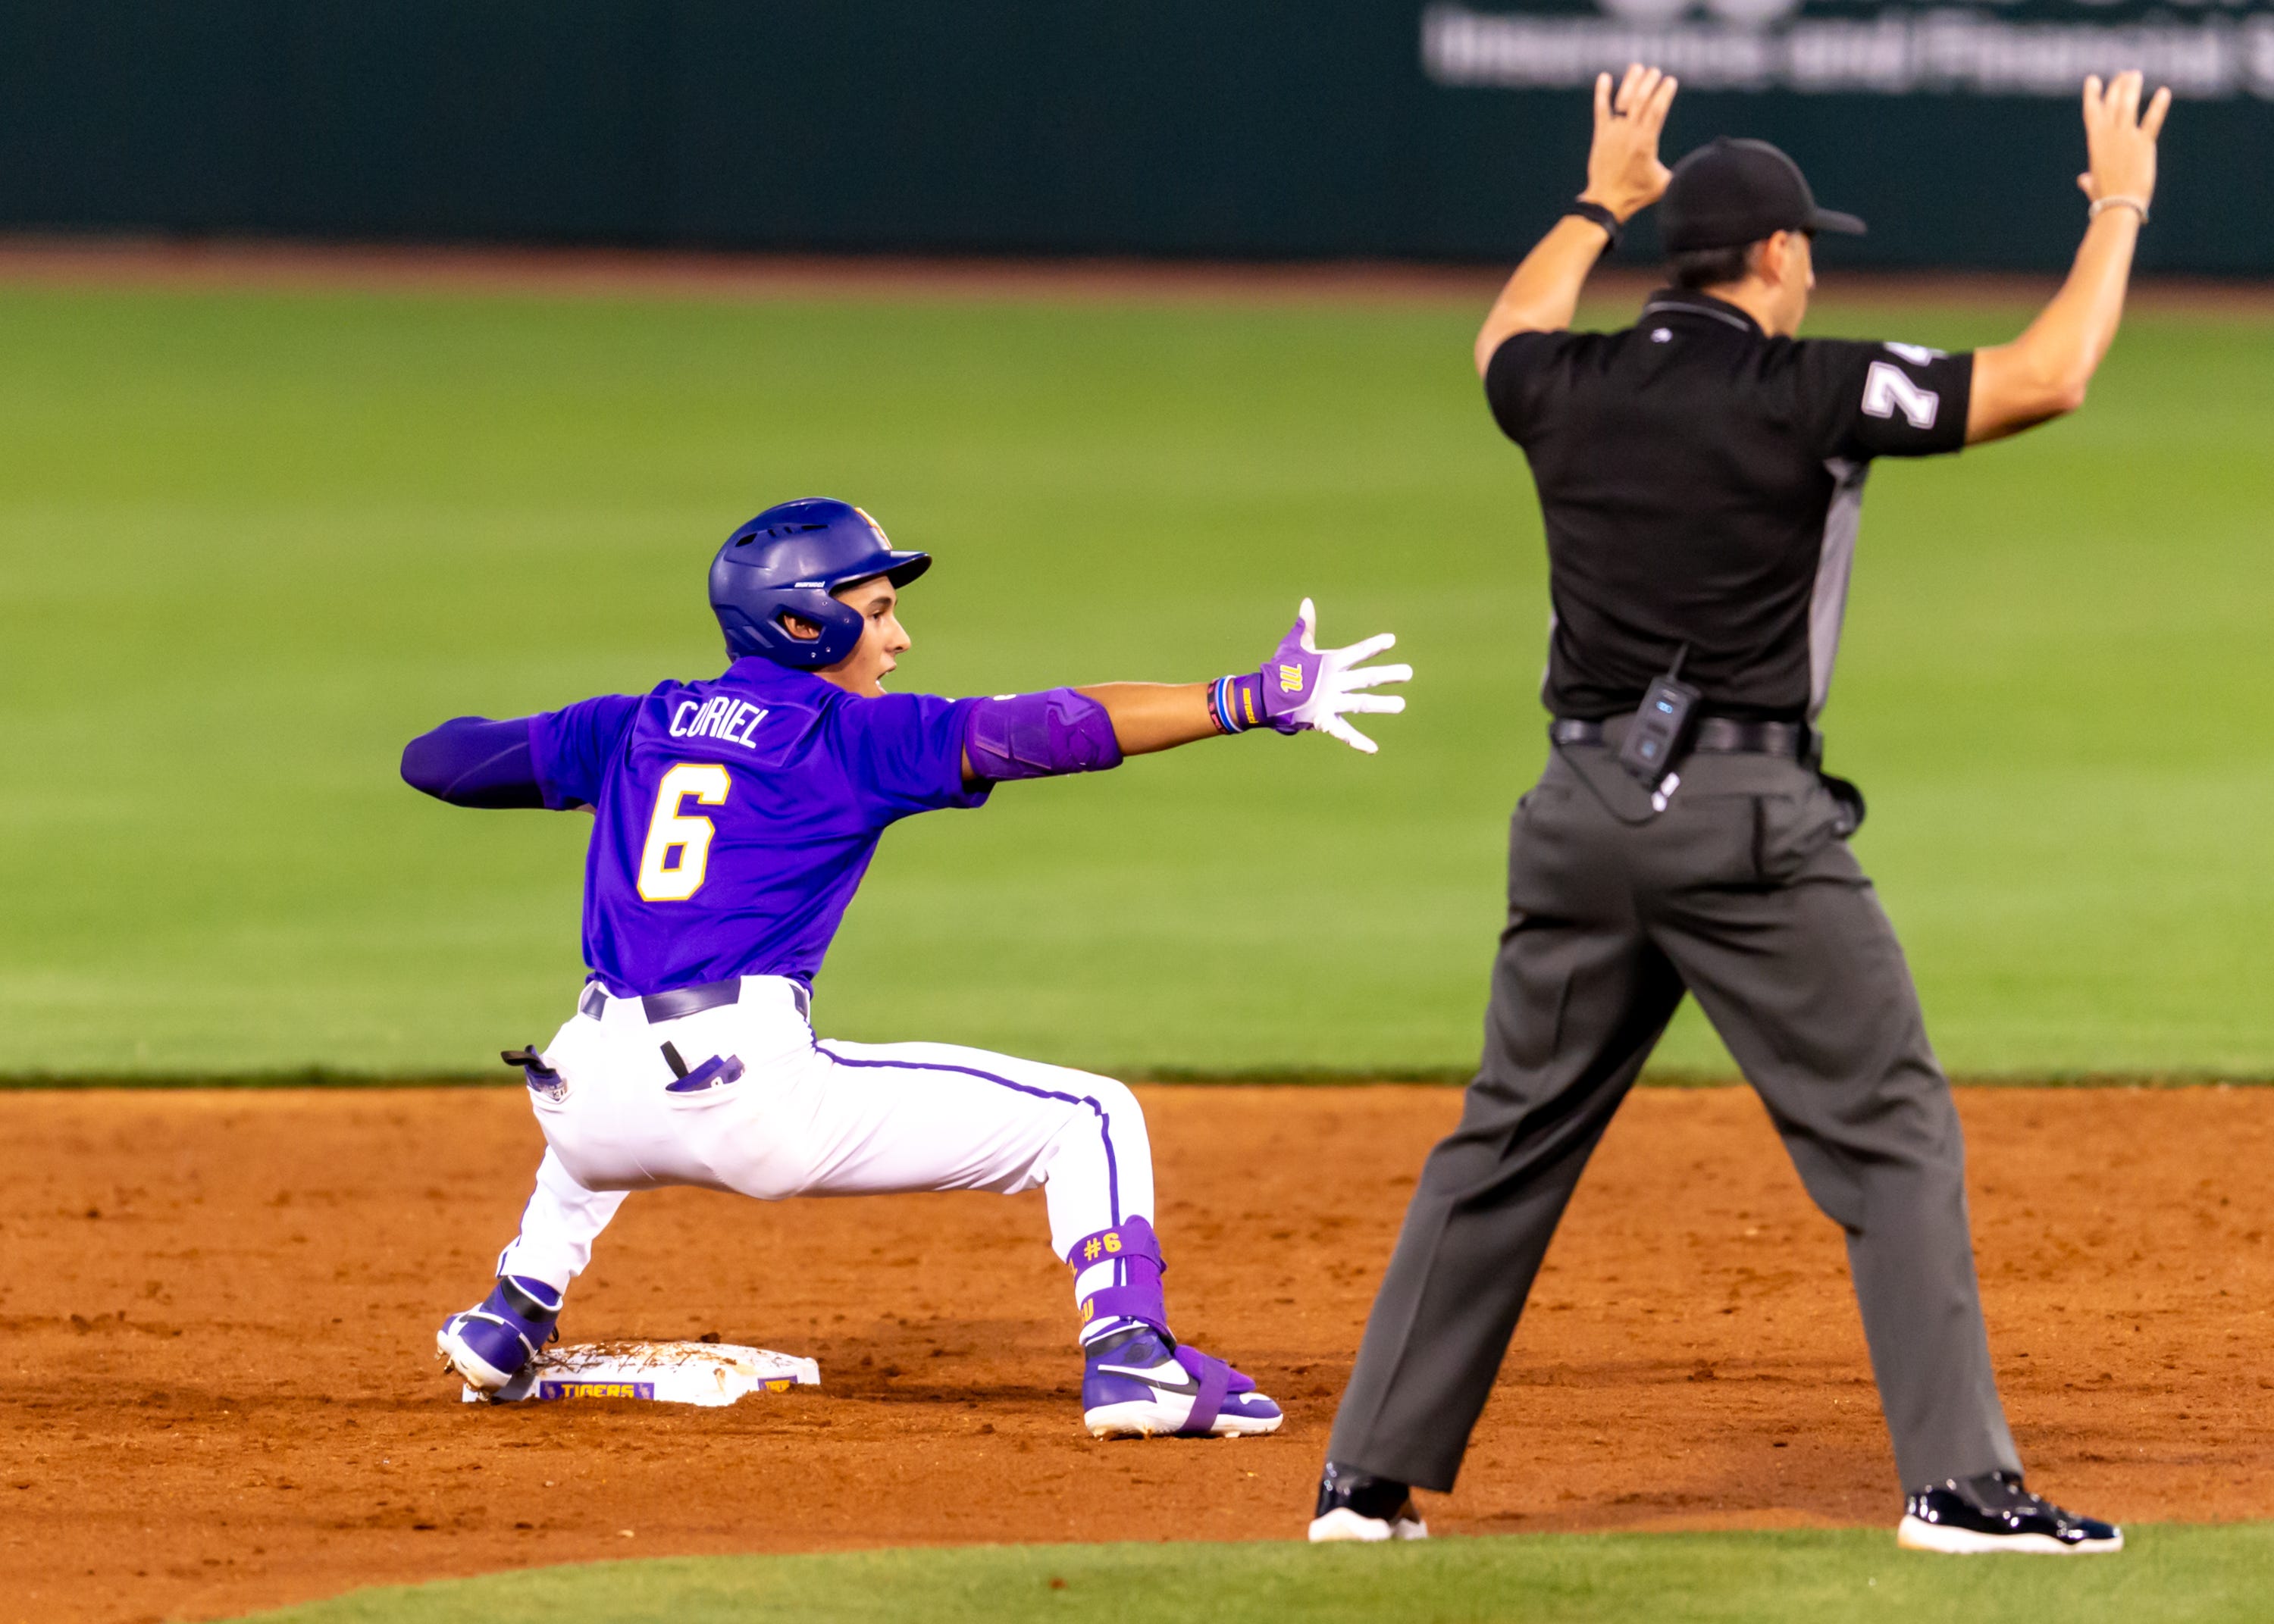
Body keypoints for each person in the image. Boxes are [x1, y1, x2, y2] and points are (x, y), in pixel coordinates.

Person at [1308, 67, 2166, 1550]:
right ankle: (1959, 1485)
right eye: (1808, 244)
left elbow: (1499, 336)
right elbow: (2050, 375)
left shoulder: (1565, 388)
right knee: (1889, 1126)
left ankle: (1363, 1483)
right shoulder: (1808, 386)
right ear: (1773, 257)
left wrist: (1596, 197)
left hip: (1577, 816)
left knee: (1505, 1138)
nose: (1814, 262)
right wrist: (2120, 207)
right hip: (1745, 824)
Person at [404, 497, 1410, 1439]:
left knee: (606, 1065)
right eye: (877, 612)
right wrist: (1244, 699)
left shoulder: (630, 726)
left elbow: (438, 761)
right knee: (1090, 1117)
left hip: (581, 1101)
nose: (899, 638)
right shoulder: (852, 738)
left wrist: (592, 776)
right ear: (808, 628)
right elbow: (1051, 728)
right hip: (742, 1099)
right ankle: (1134, 1357)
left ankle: (512, 1314)